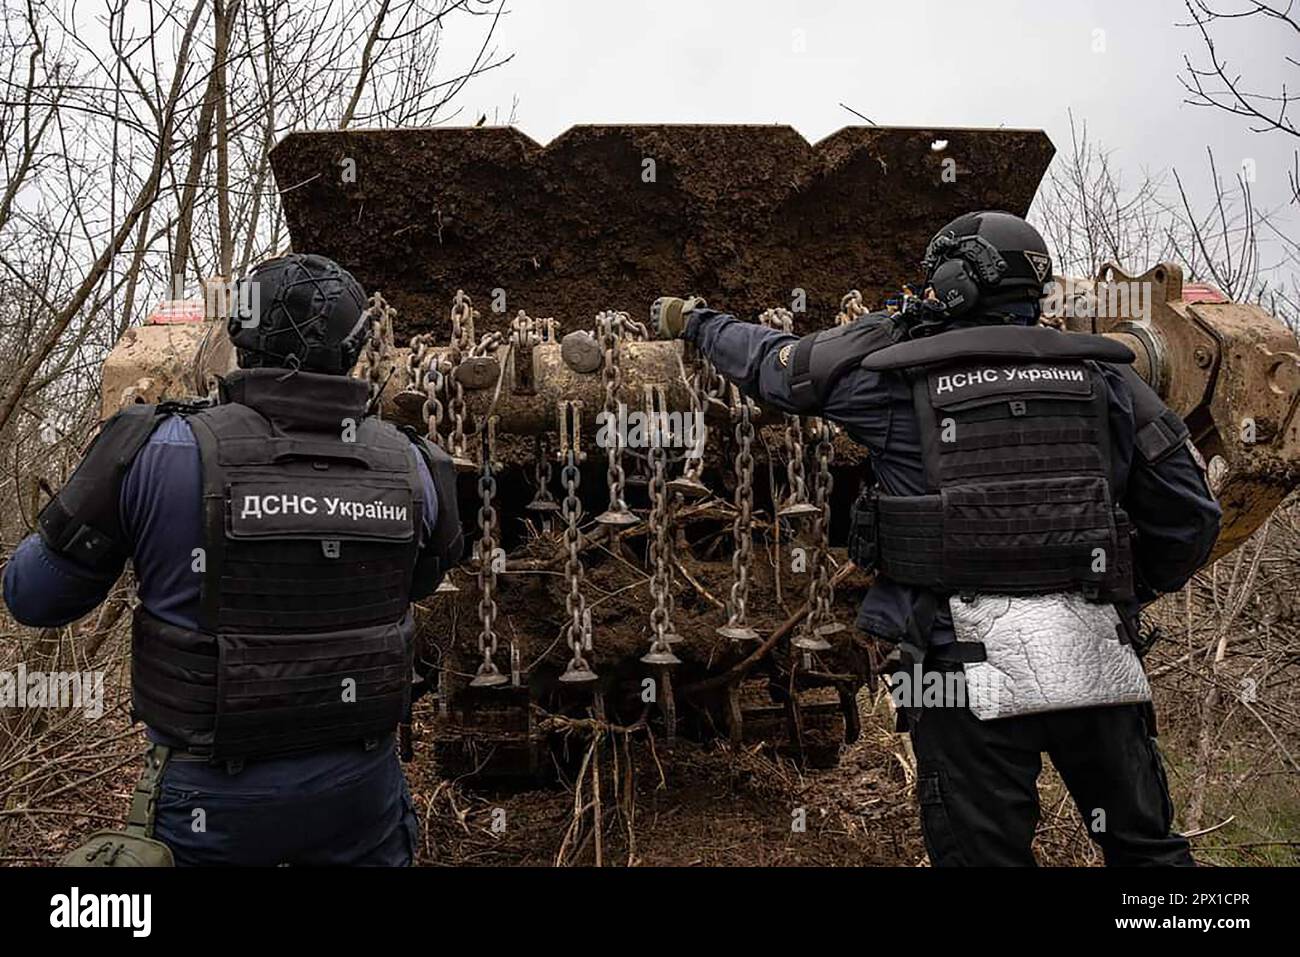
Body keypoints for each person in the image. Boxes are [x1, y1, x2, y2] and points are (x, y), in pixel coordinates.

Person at [653, 210, 1220, 866]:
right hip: (1092, 652)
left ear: (956, 281)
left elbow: (774, 368)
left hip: (959, 668)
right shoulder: (1109, 380)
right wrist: (1123, 591)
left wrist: (695, 321)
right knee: (1148, 852)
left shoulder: (891, 380)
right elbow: (1190, 515)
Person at [4, 253, 462, 866]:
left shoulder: (155, 447)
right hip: (361, 794)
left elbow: (34, 597)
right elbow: (422, 581)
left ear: (238, 337)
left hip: (208, 804)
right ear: (357, 349)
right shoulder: (416, 468)